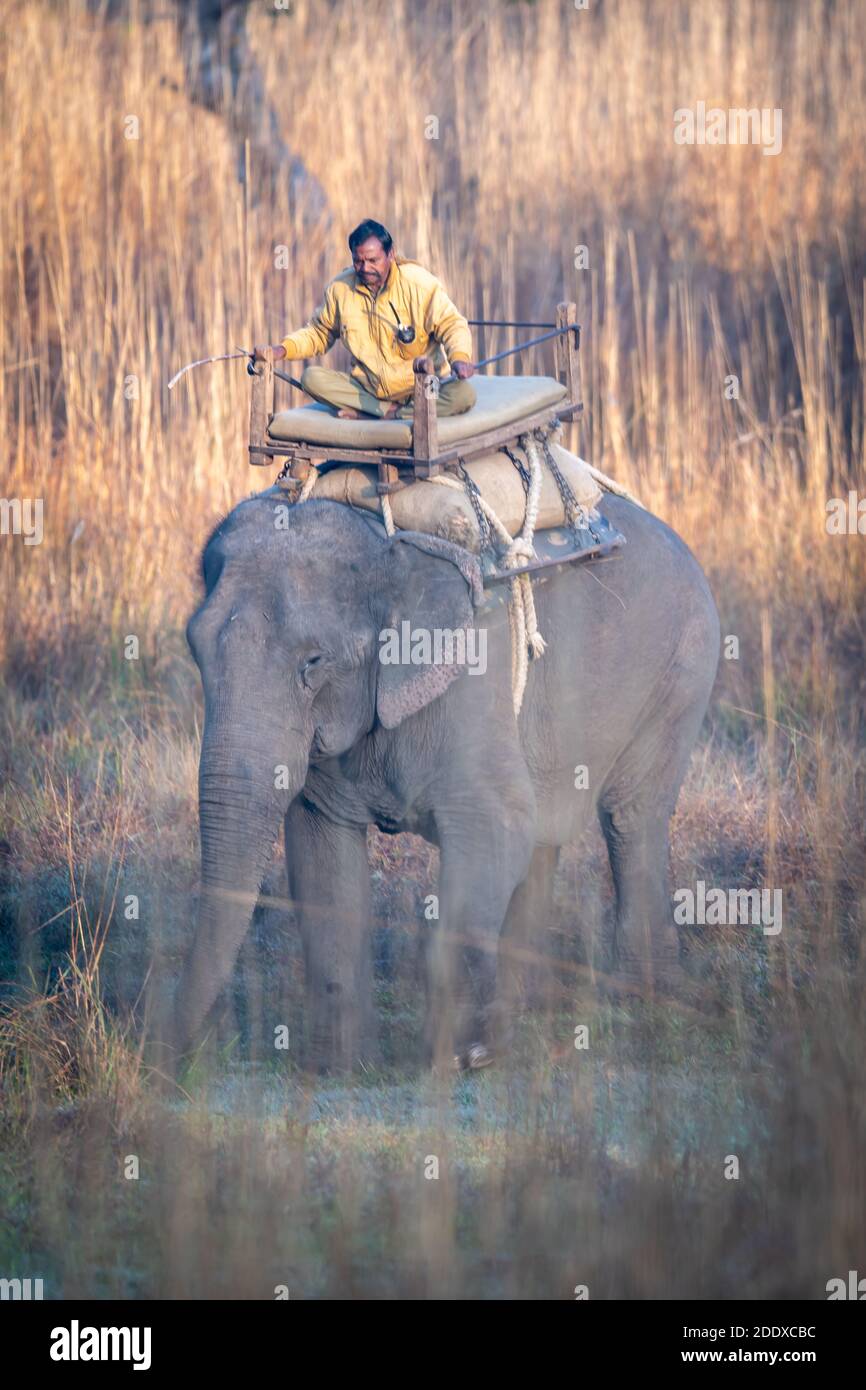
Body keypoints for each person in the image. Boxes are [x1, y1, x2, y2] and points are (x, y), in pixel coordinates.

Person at [253, 219, 476, 420]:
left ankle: (389, 415)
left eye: (373, 260)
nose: (365, 268)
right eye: (358, 261)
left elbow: (452, 324)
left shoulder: (419, 284)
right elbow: (319, 333)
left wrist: (460, 358)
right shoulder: (340, 288)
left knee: (463, 395)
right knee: (311, 378)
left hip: (424, 388)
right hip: (371, 392)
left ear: (391, 255)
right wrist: (282, 350)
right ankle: (386, 412)